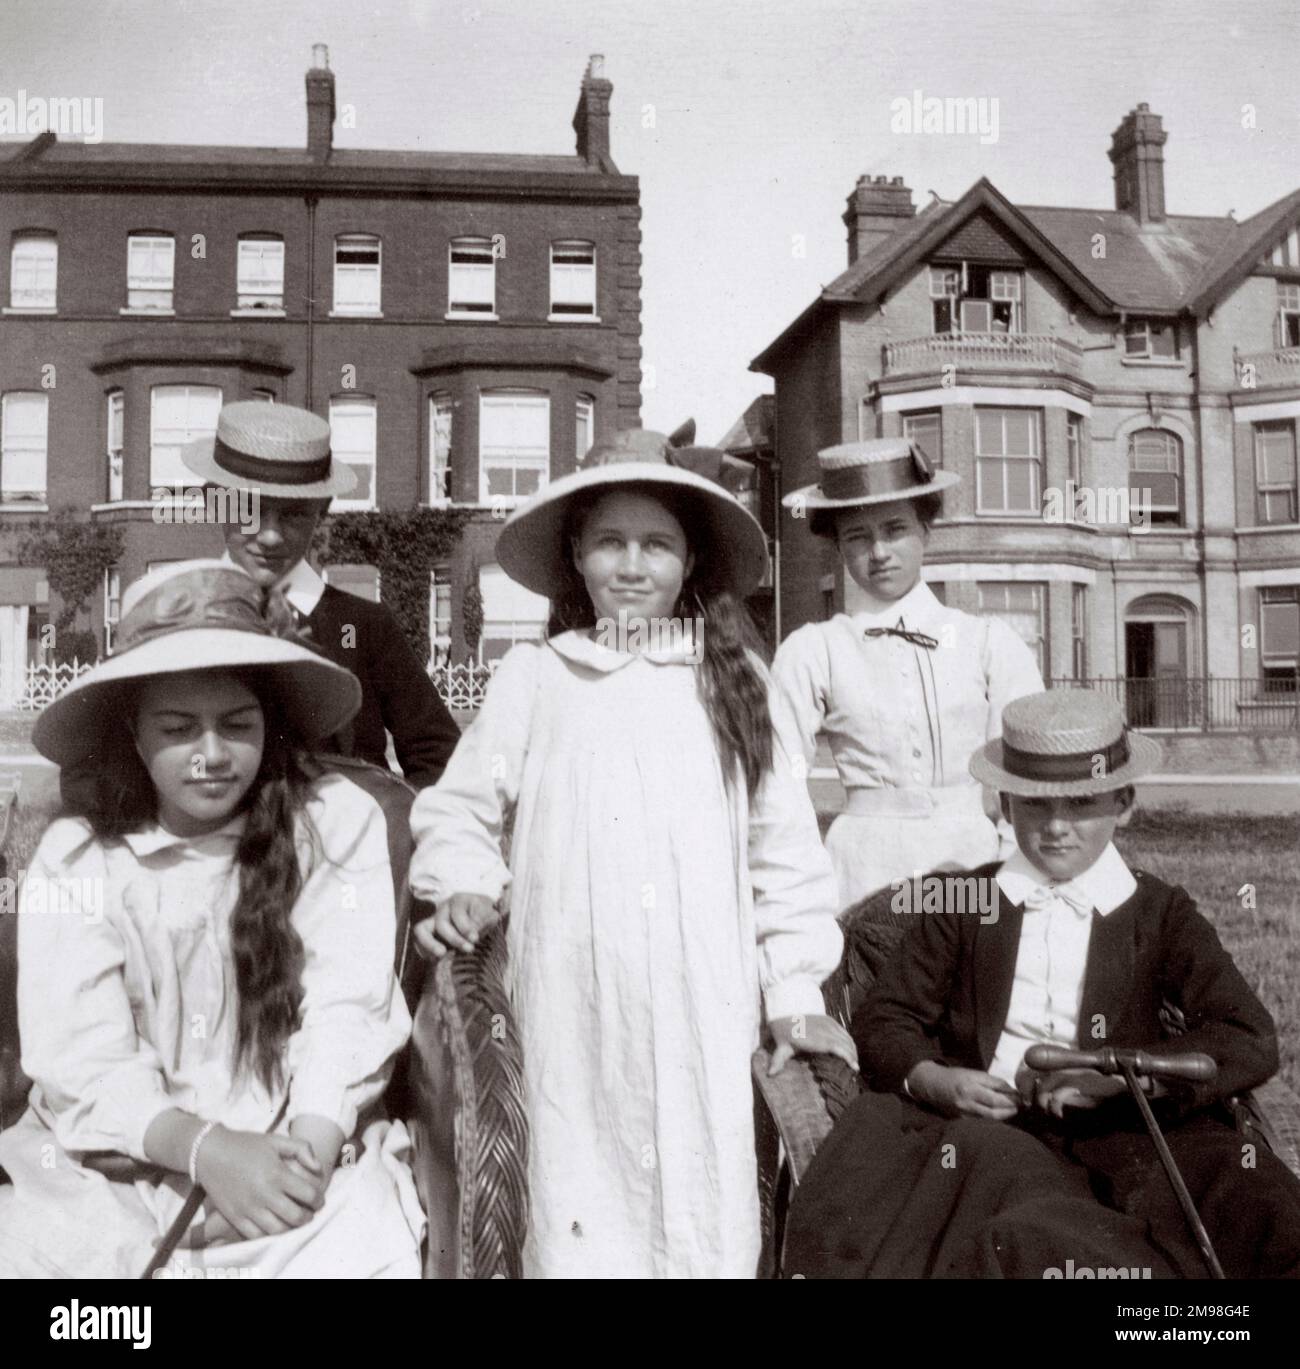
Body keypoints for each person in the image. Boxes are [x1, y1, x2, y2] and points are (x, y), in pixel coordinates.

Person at [408, 430, 852, 1278]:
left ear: (690, 562)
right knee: (581, 1184)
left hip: (703, 995)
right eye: (610, 542)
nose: (633, 565)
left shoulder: (734, 682)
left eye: (657, 544)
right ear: (576, 554)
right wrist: (463, 881)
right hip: (572, 990)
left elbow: (784, 852)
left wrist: (793, 988)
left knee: (696, 1201)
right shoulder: (538, 678)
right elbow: (462, 806)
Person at [0, 560, 425, 1278]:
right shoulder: (81, 855)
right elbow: (80, 1052)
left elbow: (347, 1007)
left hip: (298, 1153)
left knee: (360, 1253)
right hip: (117, 1158)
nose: (211, 755)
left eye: (237, 725)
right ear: (132, 734)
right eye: (177, 728)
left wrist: (305, 1159)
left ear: (272, 724)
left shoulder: (328, 822)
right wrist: (204, 1152)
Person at [784, 689, 1300, 1279]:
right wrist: (937, 1080)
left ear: (1124, 803)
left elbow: (1247, 1035)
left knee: (1254, 1196)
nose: (1055, 828)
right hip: (992, 1130)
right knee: (1038, 1233)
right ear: (1005, 803)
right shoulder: (966, 899)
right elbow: (886, 1016)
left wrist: (1124, 1078)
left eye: (1080, 804)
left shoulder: (1159, 911)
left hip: (1132, 1127)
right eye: (1033, 805)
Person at [772, 438, 1043, 911]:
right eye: (857, 536)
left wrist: (1009, 876)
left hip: (972, 864)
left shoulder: (988, 643)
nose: (878, 551)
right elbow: (775, 781)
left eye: (895, 529)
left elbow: (1030, 778)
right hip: (860, 870)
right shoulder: (815, 650)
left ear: (925, 530)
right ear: (837, 544)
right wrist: (806, 886)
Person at [184, 399, 461, 789]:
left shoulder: (365, 626)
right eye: (250, 509)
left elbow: (440, 758)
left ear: (323, 509)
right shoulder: (176, 620)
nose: (271, 535)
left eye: (294, 514)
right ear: (215, 500)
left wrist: (395, 832)